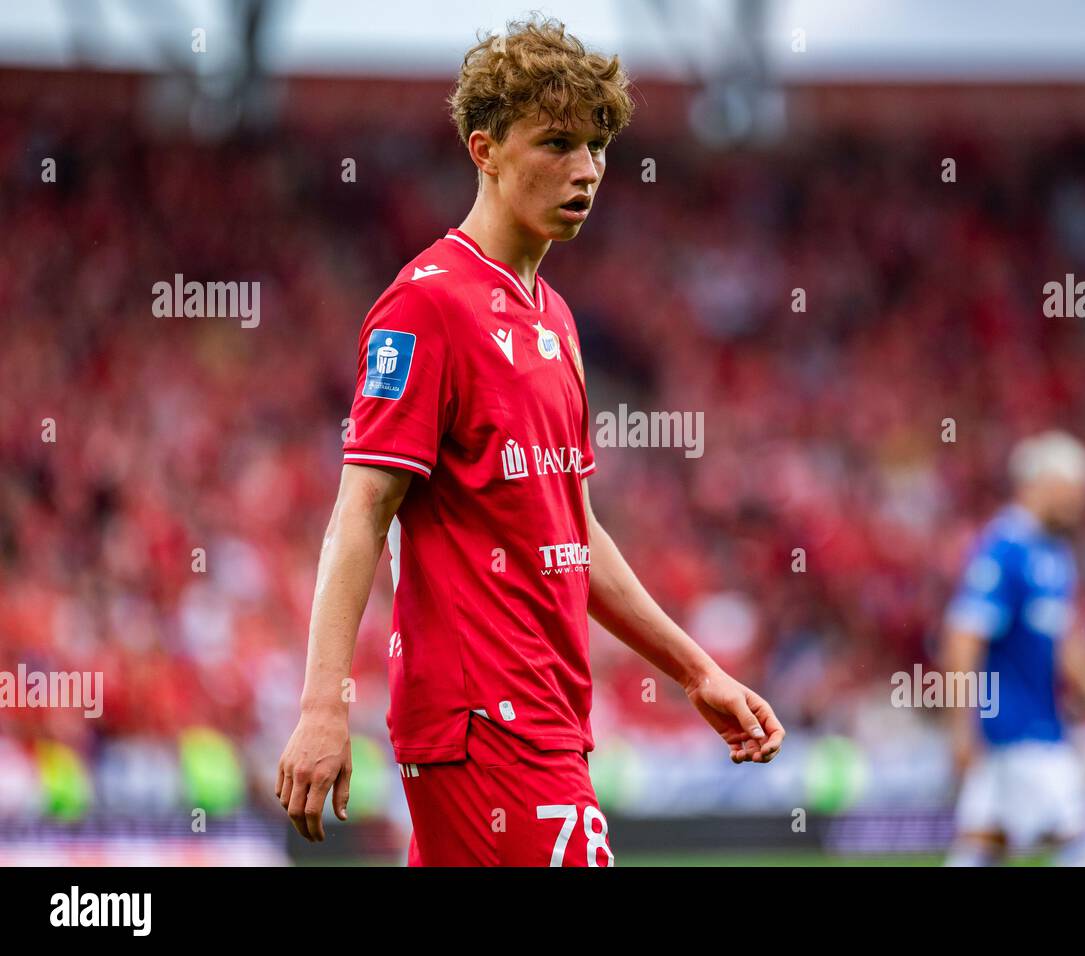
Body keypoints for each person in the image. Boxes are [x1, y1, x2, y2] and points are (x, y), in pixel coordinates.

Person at [275, 16, 784, 867]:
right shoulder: (427, 306)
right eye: (556, 142)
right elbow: (361, 509)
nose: (585, 170)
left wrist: (697, 671)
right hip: (483, 720)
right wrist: (324, 705)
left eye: (597, 146)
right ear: (485, 149)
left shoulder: (555, 318)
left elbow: (571, 529)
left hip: (550, 715)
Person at [943, 430, 1085, 866]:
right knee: (1083, 846)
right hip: (1014, 731)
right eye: (1075, 490)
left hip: (1035, 727)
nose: (1081, 502)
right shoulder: (1004, 549)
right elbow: (962, 638)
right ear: (1044, 484)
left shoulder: (1052, 554)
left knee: (984, 846)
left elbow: (1067, 649)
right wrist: (961, 724)